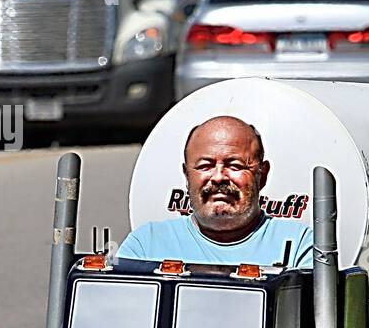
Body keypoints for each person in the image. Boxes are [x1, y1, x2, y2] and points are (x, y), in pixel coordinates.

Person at [116, 115, 314, 268]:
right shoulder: (146, 245)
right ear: (187, 176)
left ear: (262, 175)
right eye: (205, 166)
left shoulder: (300, 245)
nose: (218, 177)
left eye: (235, 165)